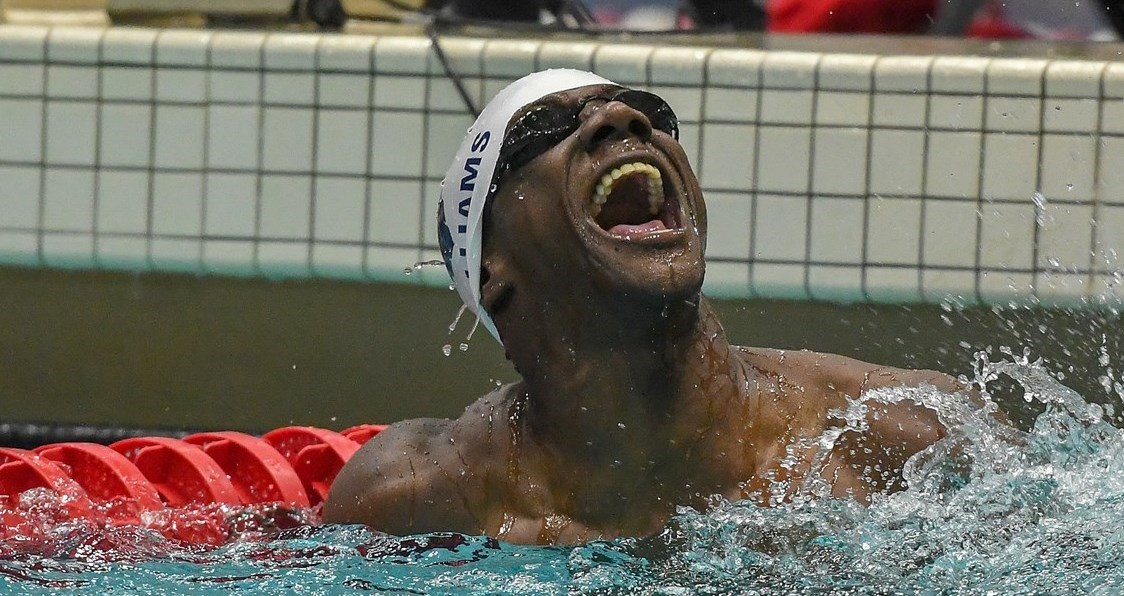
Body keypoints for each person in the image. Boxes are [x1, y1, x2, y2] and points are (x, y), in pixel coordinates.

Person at [324, 70, 958, 545]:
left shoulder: (896, 438)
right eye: (546, 131)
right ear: (494, 273)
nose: (622, 119)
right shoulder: (418, 498)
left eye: (646, 111)